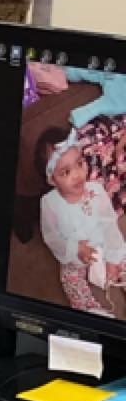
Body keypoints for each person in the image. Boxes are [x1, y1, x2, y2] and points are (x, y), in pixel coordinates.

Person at [38, 128, 126, 317]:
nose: (78, 175)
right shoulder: (49, 204)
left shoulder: (96, 191)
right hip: (75, 254)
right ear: (52, 180)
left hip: (100, 241)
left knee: (123, 258)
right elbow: (51, 236)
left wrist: (112, 258)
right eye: (66, 172)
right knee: (70, 280)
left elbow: (109, 224)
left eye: (80, 164)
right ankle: (92, 311)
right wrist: (74, 248)